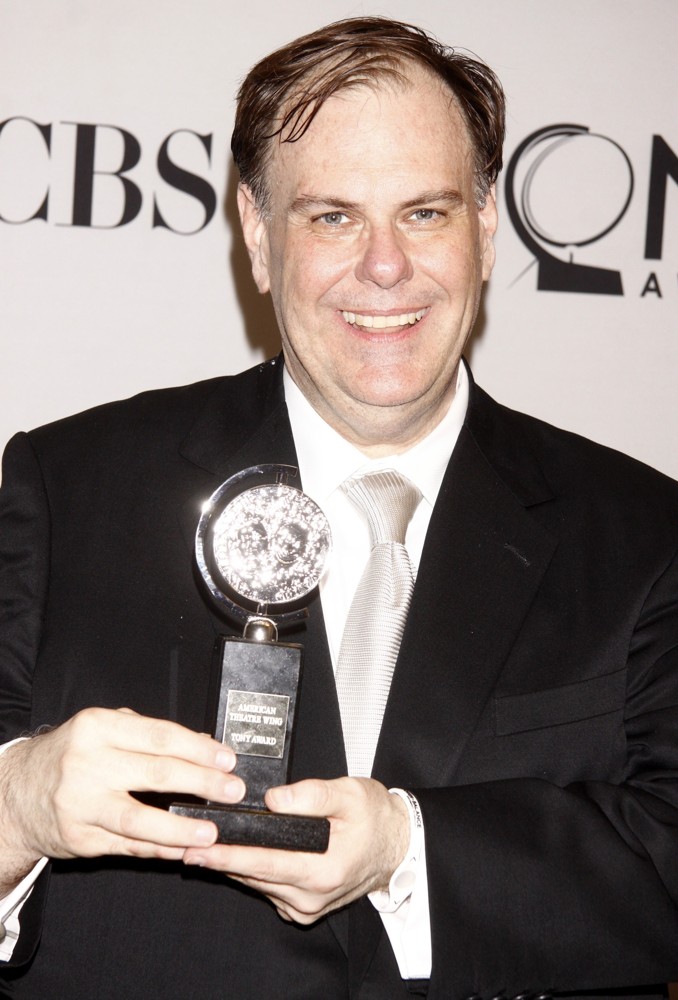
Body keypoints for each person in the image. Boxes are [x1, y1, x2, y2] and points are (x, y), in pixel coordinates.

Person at [0, 15, 677, 1000]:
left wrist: (407, 850)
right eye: (332, 217)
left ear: (486, 230)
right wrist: (17, 806)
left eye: (425, 213)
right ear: (256, 235)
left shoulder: (644, 534)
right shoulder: (69, 487)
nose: (386, 266)